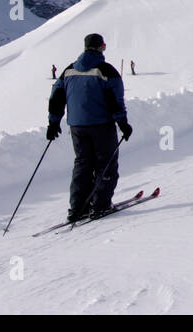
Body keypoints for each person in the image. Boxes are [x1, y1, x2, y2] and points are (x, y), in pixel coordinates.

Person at [47, 33, 133, 220]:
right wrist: (123, 123)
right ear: (101, 47)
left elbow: (56, 97)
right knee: (106, 164)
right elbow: (115, 101)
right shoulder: (106, 70)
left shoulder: (69, 70)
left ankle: (78, 208)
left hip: (77, 126)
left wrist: (53, 123)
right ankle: (100, 205)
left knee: (83, 164)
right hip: (101, 125)